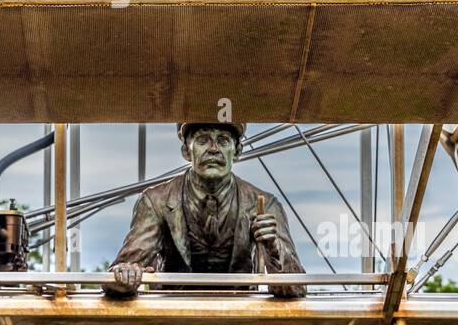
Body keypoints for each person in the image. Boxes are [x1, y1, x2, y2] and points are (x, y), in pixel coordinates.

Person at [103, 122, 307, 299]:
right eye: (202, 140)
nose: (213, 149)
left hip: (240, 318)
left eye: (223, 140)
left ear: (237, 151)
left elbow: (295, 289)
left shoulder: (265, 205)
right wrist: (126, 275)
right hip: (172, 318)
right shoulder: (155, 200)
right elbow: (119, 277)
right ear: (186, 151)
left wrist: (274, 248)